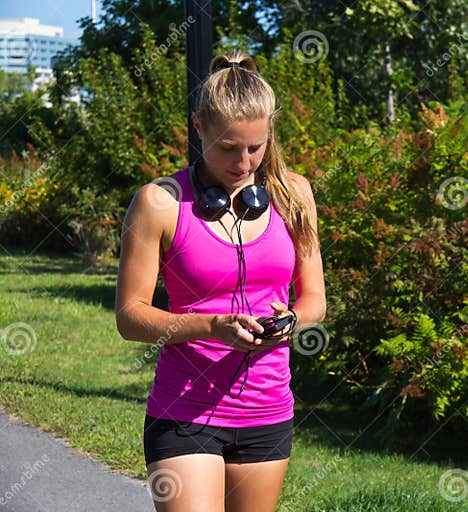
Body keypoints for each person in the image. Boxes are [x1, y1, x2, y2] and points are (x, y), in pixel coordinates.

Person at [115, 51, 326, 512]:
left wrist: (290, 320)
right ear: (198, 126)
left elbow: (314, 301)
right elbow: (130, 317)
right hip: (184, 413)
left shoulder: (295, 194)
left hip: (267, 411)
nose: (245, 163)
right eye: (229, 148)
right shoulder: (159, 203)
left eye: (256, 147)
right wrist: (212, 326)